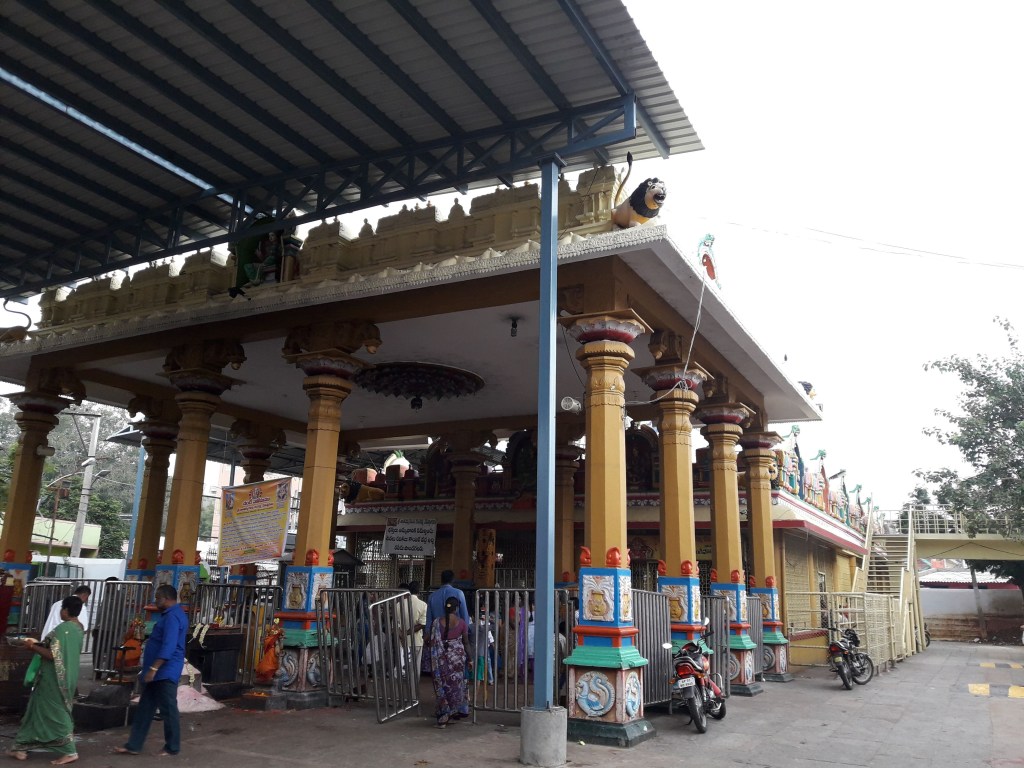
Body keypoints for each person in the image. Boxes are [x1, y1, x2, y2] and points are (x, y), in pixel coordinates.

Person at [9, 595, 84, 765]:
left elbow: (52, 655)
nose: (60, 611)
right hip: (66, 676)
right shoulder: (79, 628)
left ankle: (69, 750)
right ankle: (20, 746)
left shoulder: (63, 629)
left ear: (65, 610)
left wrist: (32, 646)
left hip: (55, 679)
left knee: (56, 713)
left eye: (61, 608)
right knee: (35, 709)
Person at [114, 584, 186, 757]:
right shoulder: (172, 615)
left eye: (158, 597)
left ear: (167, 598)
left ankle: (172, 747)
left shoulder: (172, 617)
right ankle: (134, 745)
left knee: (168, 709)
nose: (156, 600)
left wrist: (154, 668)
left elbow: (168, 646)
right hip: (158, 671)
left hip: (164, 671)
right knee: (146, 708)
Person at [429, 596, 469, 728]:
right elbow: (466, 643)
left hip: (441, 660)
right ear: (457, 608)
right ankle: (454, 712)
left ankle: (444, 714)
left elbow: (430, 640)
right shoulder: (462, 622)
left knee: (443, 686)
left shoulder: (436, 623)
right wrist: (471, 659)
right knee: (456, 686)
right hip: (457, 660)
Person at [406, 582, 427, 678]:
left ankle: (400, 690)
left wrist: (402, 634)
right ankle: (413, 691)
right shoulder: (423, 605)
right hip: (416, 641)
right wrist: (408, 633)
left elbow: (395, 625)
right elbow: (422, 624)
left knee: (402, 666)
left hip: (401, 641)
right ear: (419, 591)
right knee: (415, 668)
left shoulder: (398, 604)